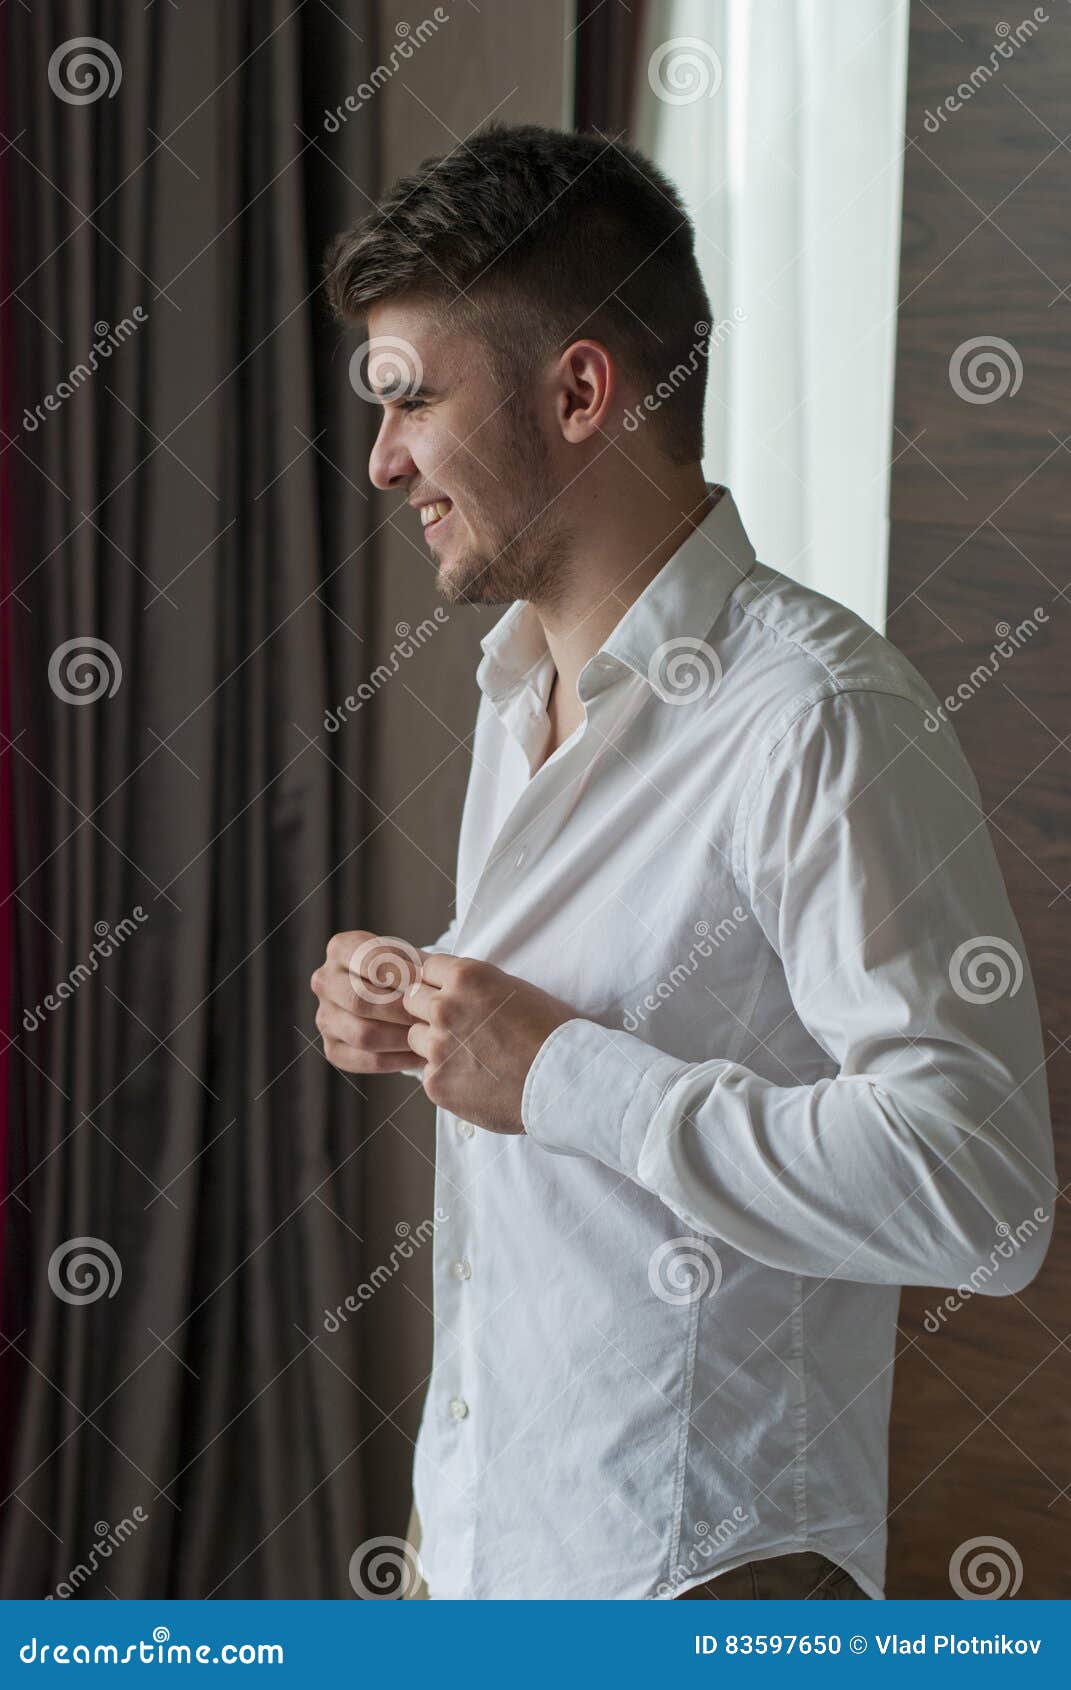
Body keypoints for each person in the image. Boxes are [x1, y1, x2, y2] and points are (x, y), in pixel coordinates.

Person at [310, 123, 1055, 1601]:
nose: (384, 457)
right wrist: (435, 1018)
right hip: (497, 1561)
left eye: (412, 399)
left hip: (705, 1583)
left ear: (582, 390)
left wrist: (561, 1073)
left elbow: (986, 1194)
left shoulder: (821, 717)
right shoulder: (515, 685)